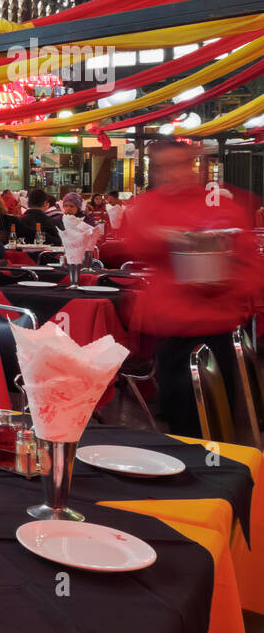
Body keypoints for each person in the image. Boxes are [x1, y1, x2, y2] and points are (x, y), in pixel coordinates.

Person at [122, 140, 263, 436]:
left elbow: (252, 265)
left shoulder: (222, 204)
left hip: (217, 329)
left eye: (178, 164)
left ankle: (218, 473)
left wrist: (228, 284)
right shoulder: (149, 205)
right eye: (162, 167)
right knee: (180, 422)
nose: (171, 174)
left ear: (193, 165)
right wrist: (167, 237)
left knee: (216, 423)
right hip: (173, 330)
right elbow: (135, 242)